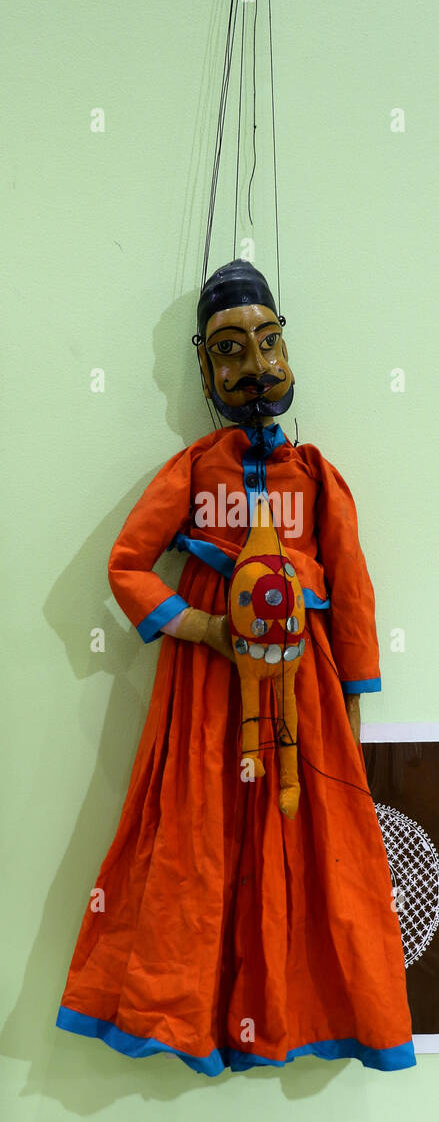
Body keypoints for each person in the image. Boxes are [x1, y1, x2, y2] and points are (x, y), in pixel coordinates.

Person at [56, 259, 416, 1075]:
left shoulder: (318, 478)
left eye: (269, 342)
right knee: (197, 835)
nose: (255, 367)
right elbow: (127, 564)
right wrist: (202, 627)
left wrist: (355, 700)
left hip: (305, 695)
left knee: (312, 844)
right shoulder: (192, 471)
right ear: (204, 365)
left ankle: (298, 1013)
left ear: (286, 348)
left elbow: (352, 590)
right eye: (230, 349)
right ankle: (185, 1011)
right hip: (207, 696)